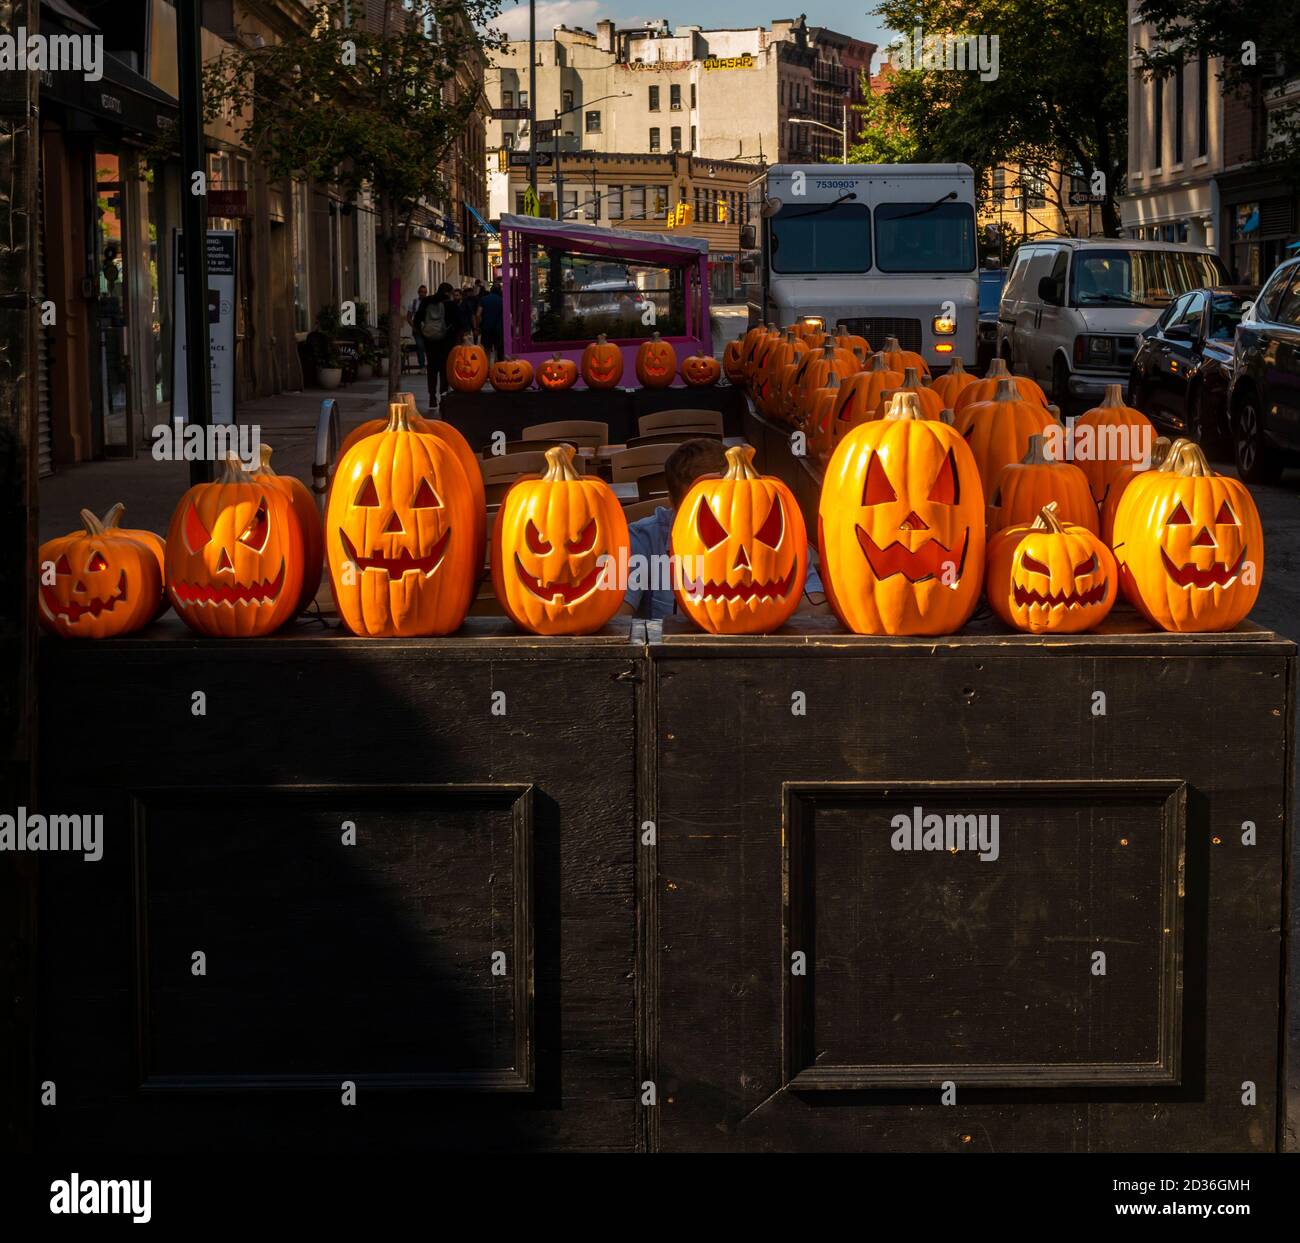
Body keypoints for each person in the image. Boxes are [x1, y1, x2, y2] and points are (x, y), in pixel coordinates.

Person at [620, 439, 728, 620]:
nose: (715, 520)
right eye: (698, 510)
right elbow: (615, 624)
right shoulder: (641, 541)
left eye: (724, 505)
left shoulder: (760, 539)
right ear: (673, 504)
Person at [413, 282, 454, 404]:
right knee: (443, 369)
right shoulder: (448, 303)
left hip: (429, 341)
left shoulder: (426, 301)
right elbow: (456, 322)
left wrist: (423, 333)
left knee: (431, 368)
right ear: (447, 292)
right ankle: (443, 394)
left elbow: (417, 320)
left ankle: (432, 396)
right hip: (444, 341)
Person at [478, 281, 504, 360]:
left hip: (486, 328)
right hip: (499, 328)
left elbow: (478, 314)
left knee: (487, 350)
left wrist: (478, 326)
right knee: (498, 349)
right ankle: (498, 367)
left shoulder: (483, 299)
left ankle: (487, 368)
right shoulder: (502, 301)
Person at [405, 283, 428, 370]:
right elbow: (408, 317)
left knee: (427, 347)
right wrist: (413, 326)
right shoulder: (413, 303)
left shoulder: (429, 302)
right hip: (417, 329)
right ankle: (422, 365)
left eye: (425, 292)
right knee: (420, 346)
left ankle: (429, 365)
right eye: (421, 292)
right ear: (418, 292)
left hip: (427, 328)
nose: (423, 294)